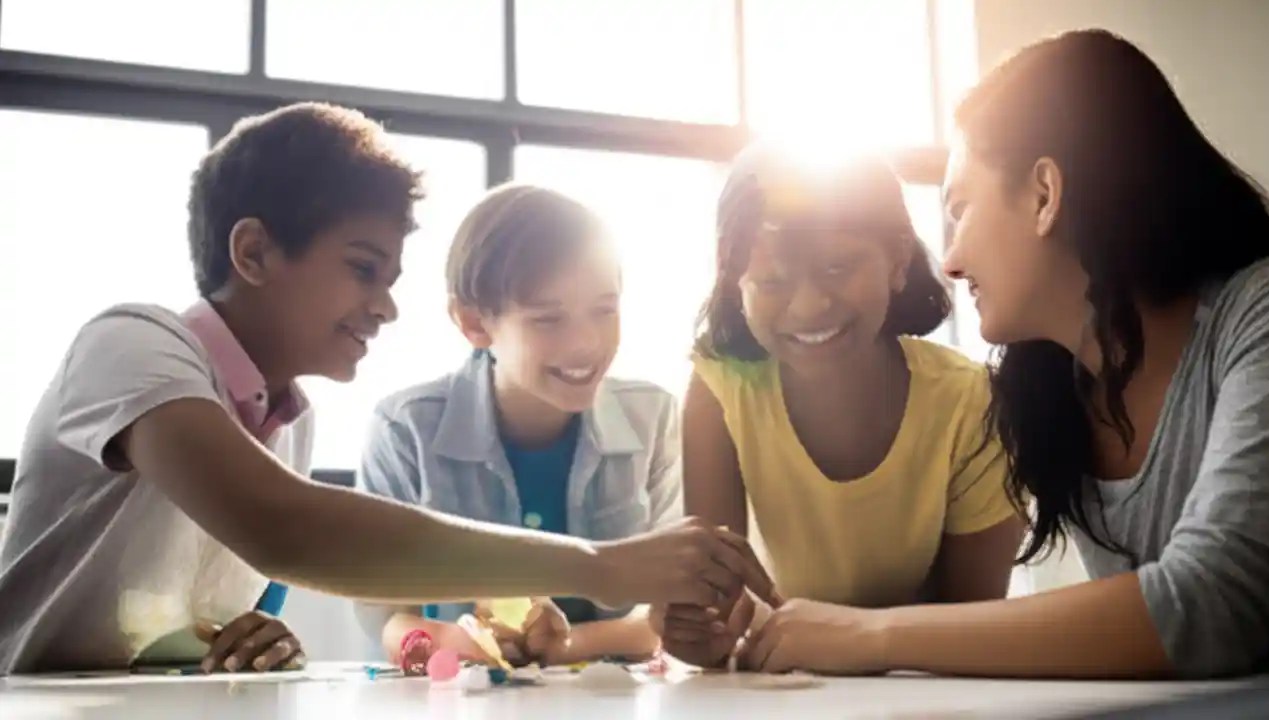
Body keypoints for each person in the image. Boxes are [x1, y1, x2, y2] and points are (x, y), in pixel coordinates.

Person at [0, 103, 776, 675]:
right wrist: (598, 564)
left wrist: (253, 641)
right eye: (363, 269)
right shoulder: (131, 343)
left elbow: (196, 621)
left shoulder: (285, 422)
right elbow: (286, 529)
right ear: (254, 251)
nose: (386, 306)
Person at [743, 29, 1269, 679]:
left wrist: (870, 634)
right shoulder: (1054, 397)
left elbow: (1213, 604)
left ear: (1045, 196)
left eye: (961, 211)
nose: (950, 260)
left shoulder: (1263, 310)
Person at [655, 146, 1021, 670]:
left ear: (897, 262)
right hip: (791, 687)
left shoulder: (969, 401)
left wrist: (860, 640)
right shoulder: (721, 388)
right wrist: (698, 633)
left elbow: (974, 622)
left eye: (837, 266)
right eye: (772, 282)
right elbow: (717, 603)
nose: (807, 306)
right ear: (735, 283)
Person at [356, 184, 679, 667]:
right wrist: (470, 645)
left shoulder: (653, 416)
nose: (586, 344)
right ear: (473, 323)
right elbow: (385, 619)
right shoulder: (406, 429)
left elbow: (669, 614)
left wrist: (567, 646)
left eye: (604, 311)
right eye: (548, 320)